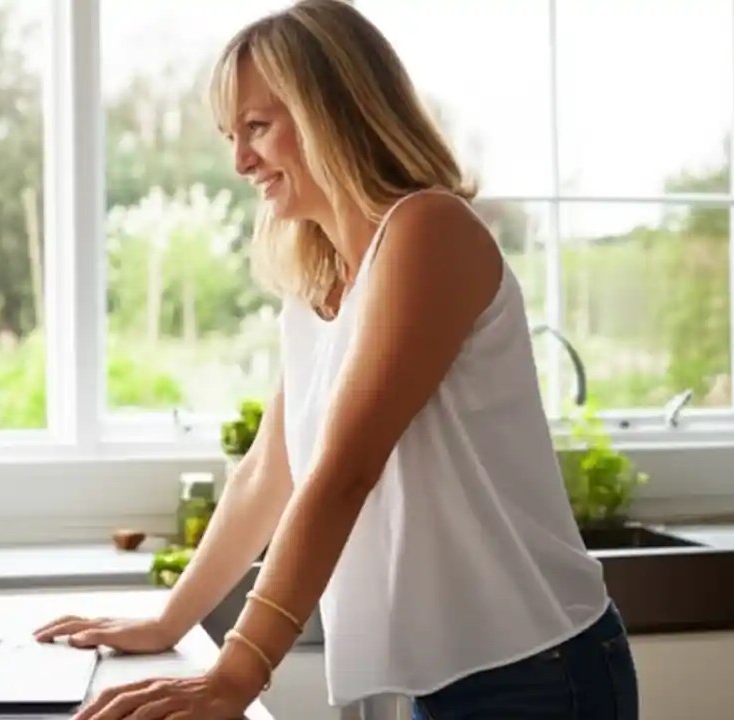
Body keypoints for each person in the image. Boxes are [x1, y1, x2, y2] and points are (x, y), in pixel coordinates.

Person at [34, 1, 639, 718]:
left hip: (541, 669)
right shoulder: (322, 283)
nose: (240, 161)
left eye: (258, 127)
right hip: (452, 675)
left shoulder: (429, 231)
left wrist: (235, 675)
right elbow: (269, 474)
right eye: (232, 135)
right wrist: (168, 622)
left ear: (335, 110)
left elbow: (344, 472)